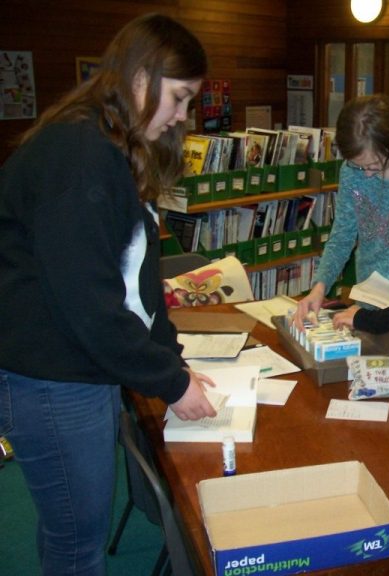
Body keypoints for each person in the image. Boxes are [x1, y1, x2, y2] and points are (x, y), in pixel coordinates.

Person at [0, 13, 217, 576]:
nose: (182, 116)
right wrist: (171, 381)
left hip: (70, 371)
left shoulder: (108, 144)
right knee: (78, 544)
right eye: (179, 97)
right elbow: (91, 304)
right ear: (141, 77)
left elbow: (137, 282)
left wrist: (171, 362)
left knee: (71, 532)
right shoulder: (81, 151)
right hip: (52, 379)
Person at [292, 94, 389, 328]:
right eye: (359, 166)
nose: (367, 175)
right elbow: (342, 236)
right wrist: (319, 287)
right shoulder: (352, 171)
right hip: (367, 301)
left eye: (373, 165)